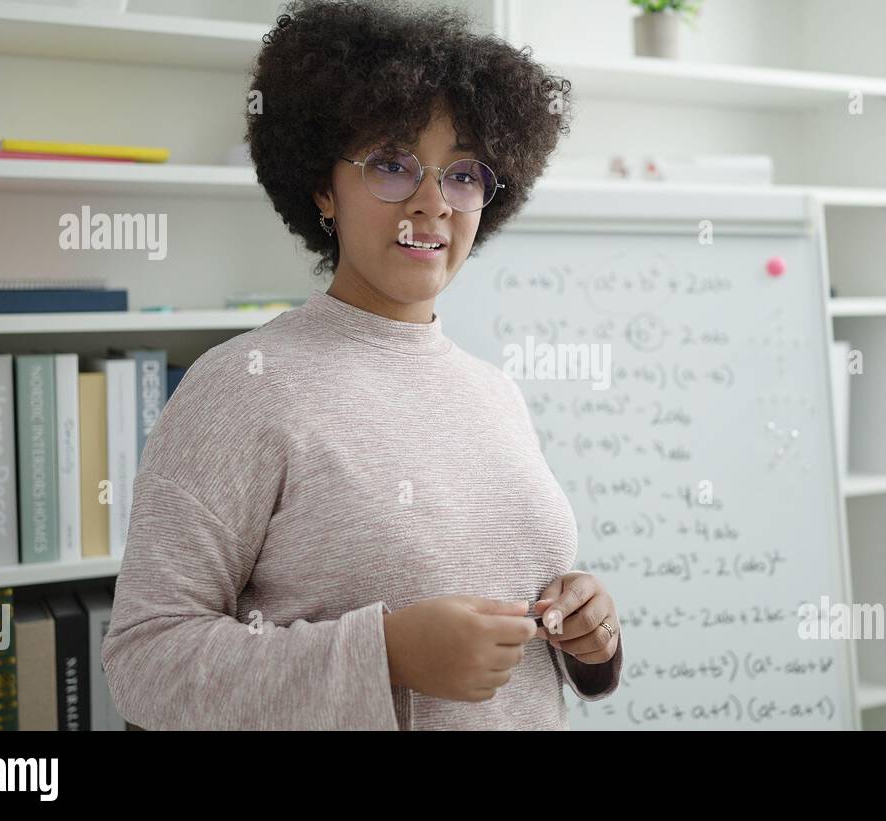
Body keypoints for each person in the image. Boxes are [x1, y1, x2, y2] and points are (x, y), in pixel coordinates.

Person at [102, 0, 622, 730]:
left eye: (464, 173)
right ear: (324, 187)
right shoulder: (242, 387)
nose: (433, 203)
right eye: (391, 164)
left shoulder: (495, 392)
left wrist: (588, 638)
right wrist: (385, 655)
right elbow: (144, 663)